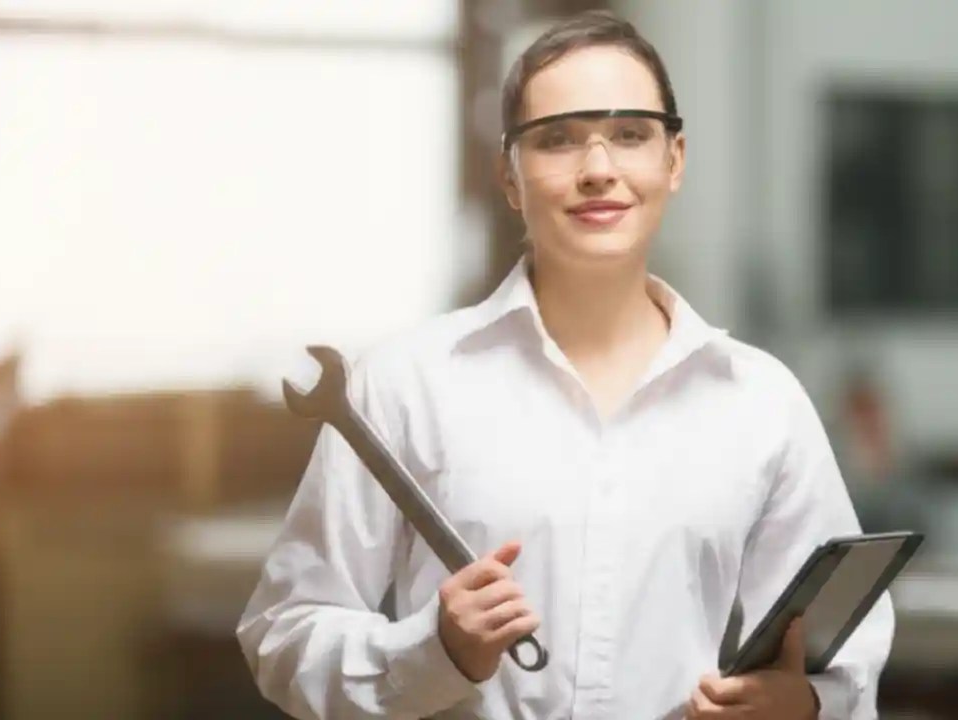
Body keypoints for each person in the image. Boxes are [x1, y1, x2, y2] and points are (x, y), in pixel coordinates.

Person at [236, 10, 893, 720]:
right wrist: (434, 651)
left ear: (674, 160)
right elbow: (286, 635)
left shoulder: (762, 402)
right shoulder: (400, 386)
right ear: (509, 176)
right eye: (557, 140)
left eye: (631, 135)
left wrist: (803, 704)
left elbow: (845, 654)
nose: (599, 170)